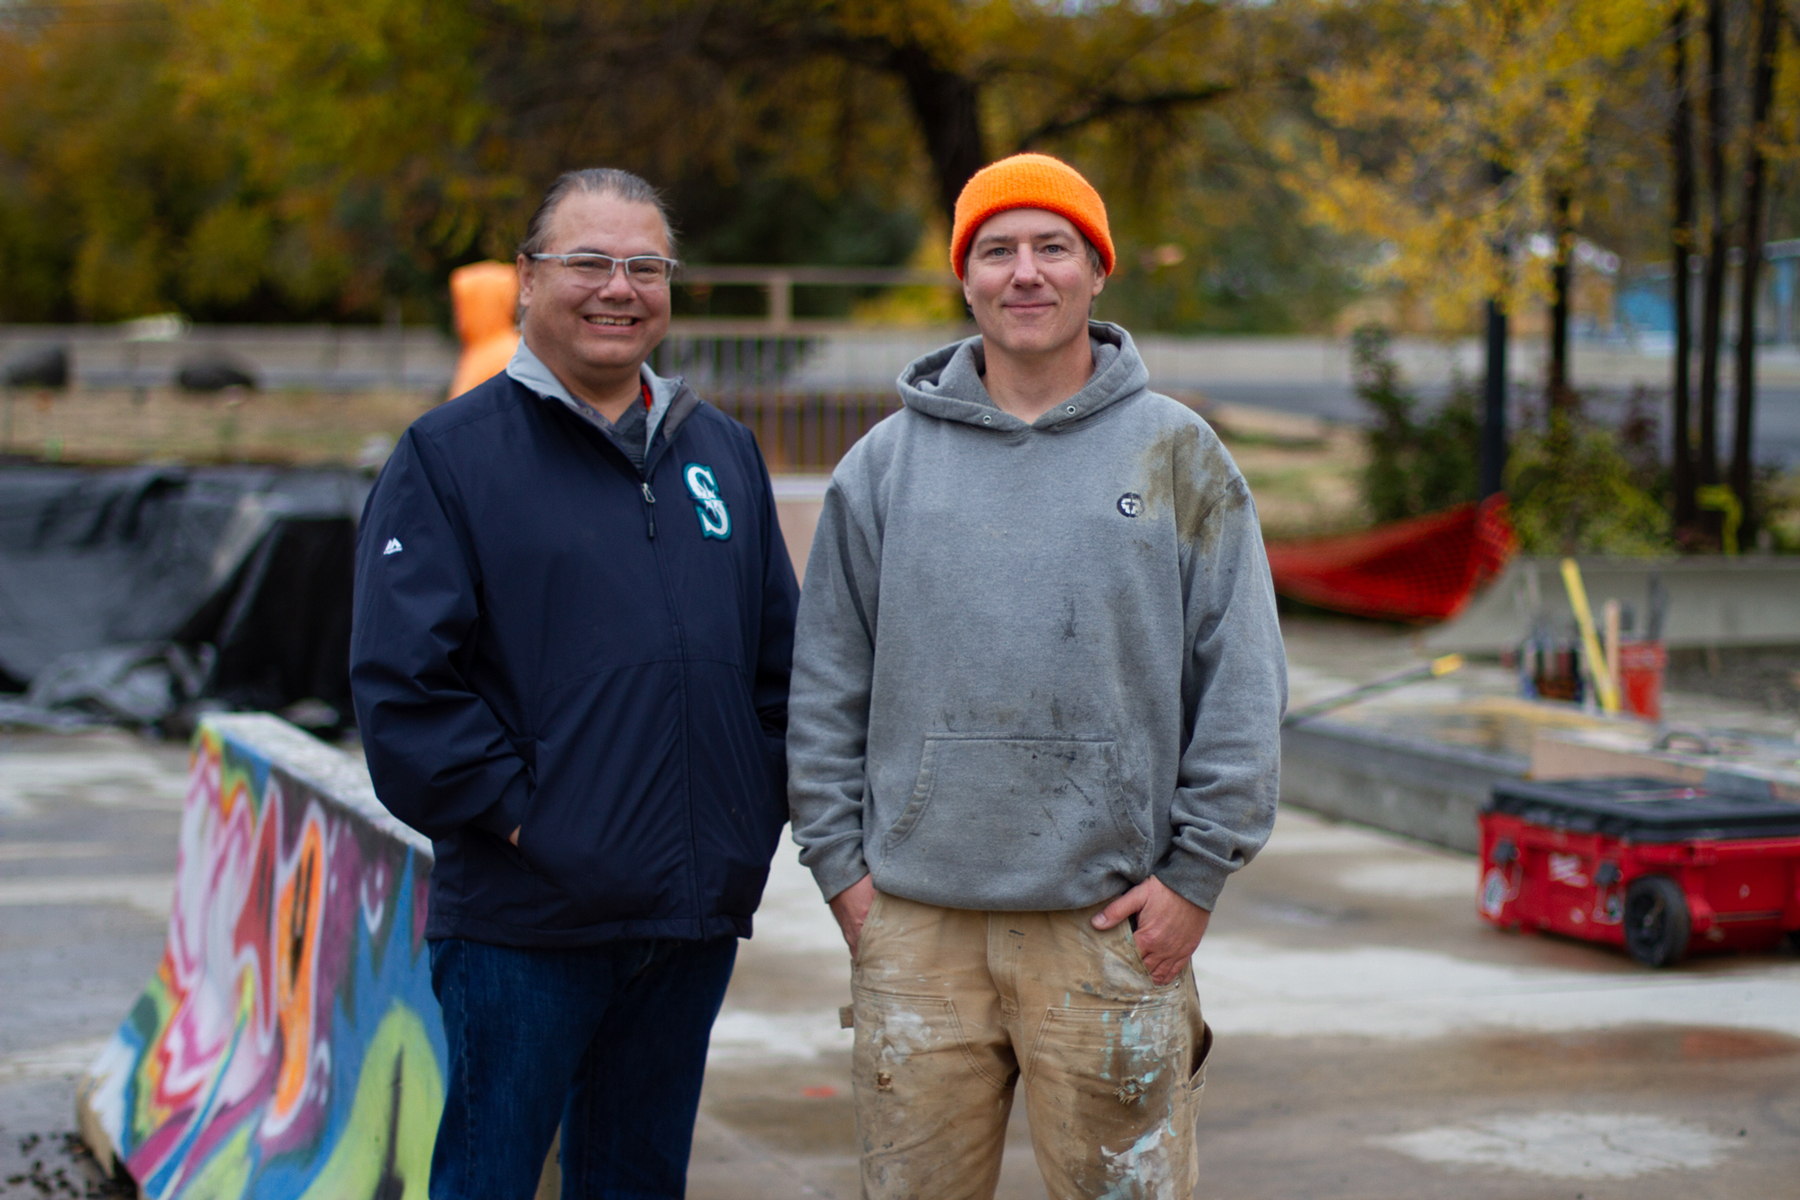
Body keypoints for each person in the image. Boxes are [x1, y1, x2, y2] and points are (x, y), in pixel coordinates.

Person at [787, 152, 1285, 1199]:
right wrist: (845, 878)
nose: (1026, 272)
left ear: (1097, 271)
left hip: (1110, 935)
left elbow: (1241, 681)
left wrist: (1195, 878)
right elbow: (825, 684)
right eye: (997, 250)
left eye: (1053, 246)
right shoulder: (883, 467)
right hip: (917, 933)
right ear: (964, 277)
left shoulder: (1179, 457)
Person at [350, 167, 799, 1200]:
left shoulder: (719, 454)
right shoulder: (449, 457)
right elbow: (403, 688)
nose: (619, 288)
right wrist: (531, 825)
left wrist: (742, 814)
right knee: (490, 1181)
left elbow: (782, 667)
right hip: (525, 930)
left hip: (686, 923)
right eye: (588, 261)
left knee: (638, 1184)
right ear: (526, 278)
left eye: (646, 265)